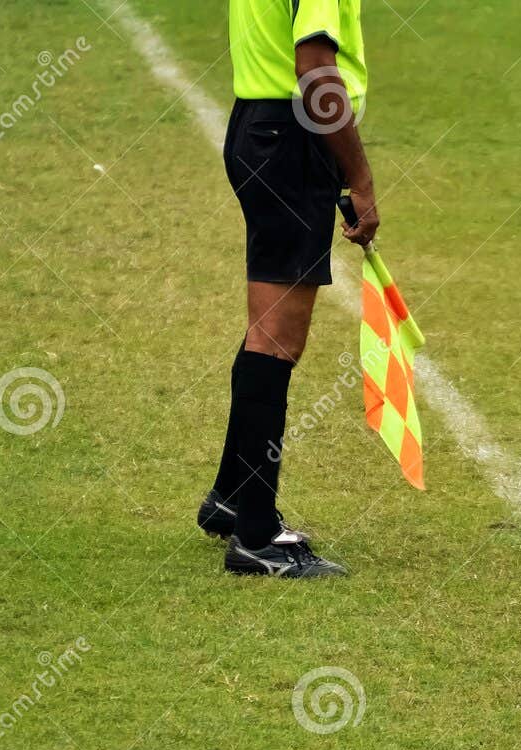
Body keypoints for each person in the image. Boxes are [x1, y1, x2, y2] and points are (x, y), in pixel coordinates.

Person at [198, 0, 378, 578]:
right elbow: (315, 70)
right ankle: (257, 537)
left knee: (264, 328)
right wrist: (360, 177)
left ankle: (233, 497)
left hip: (257, 126)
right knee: (277, 338)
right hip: (295, 141)